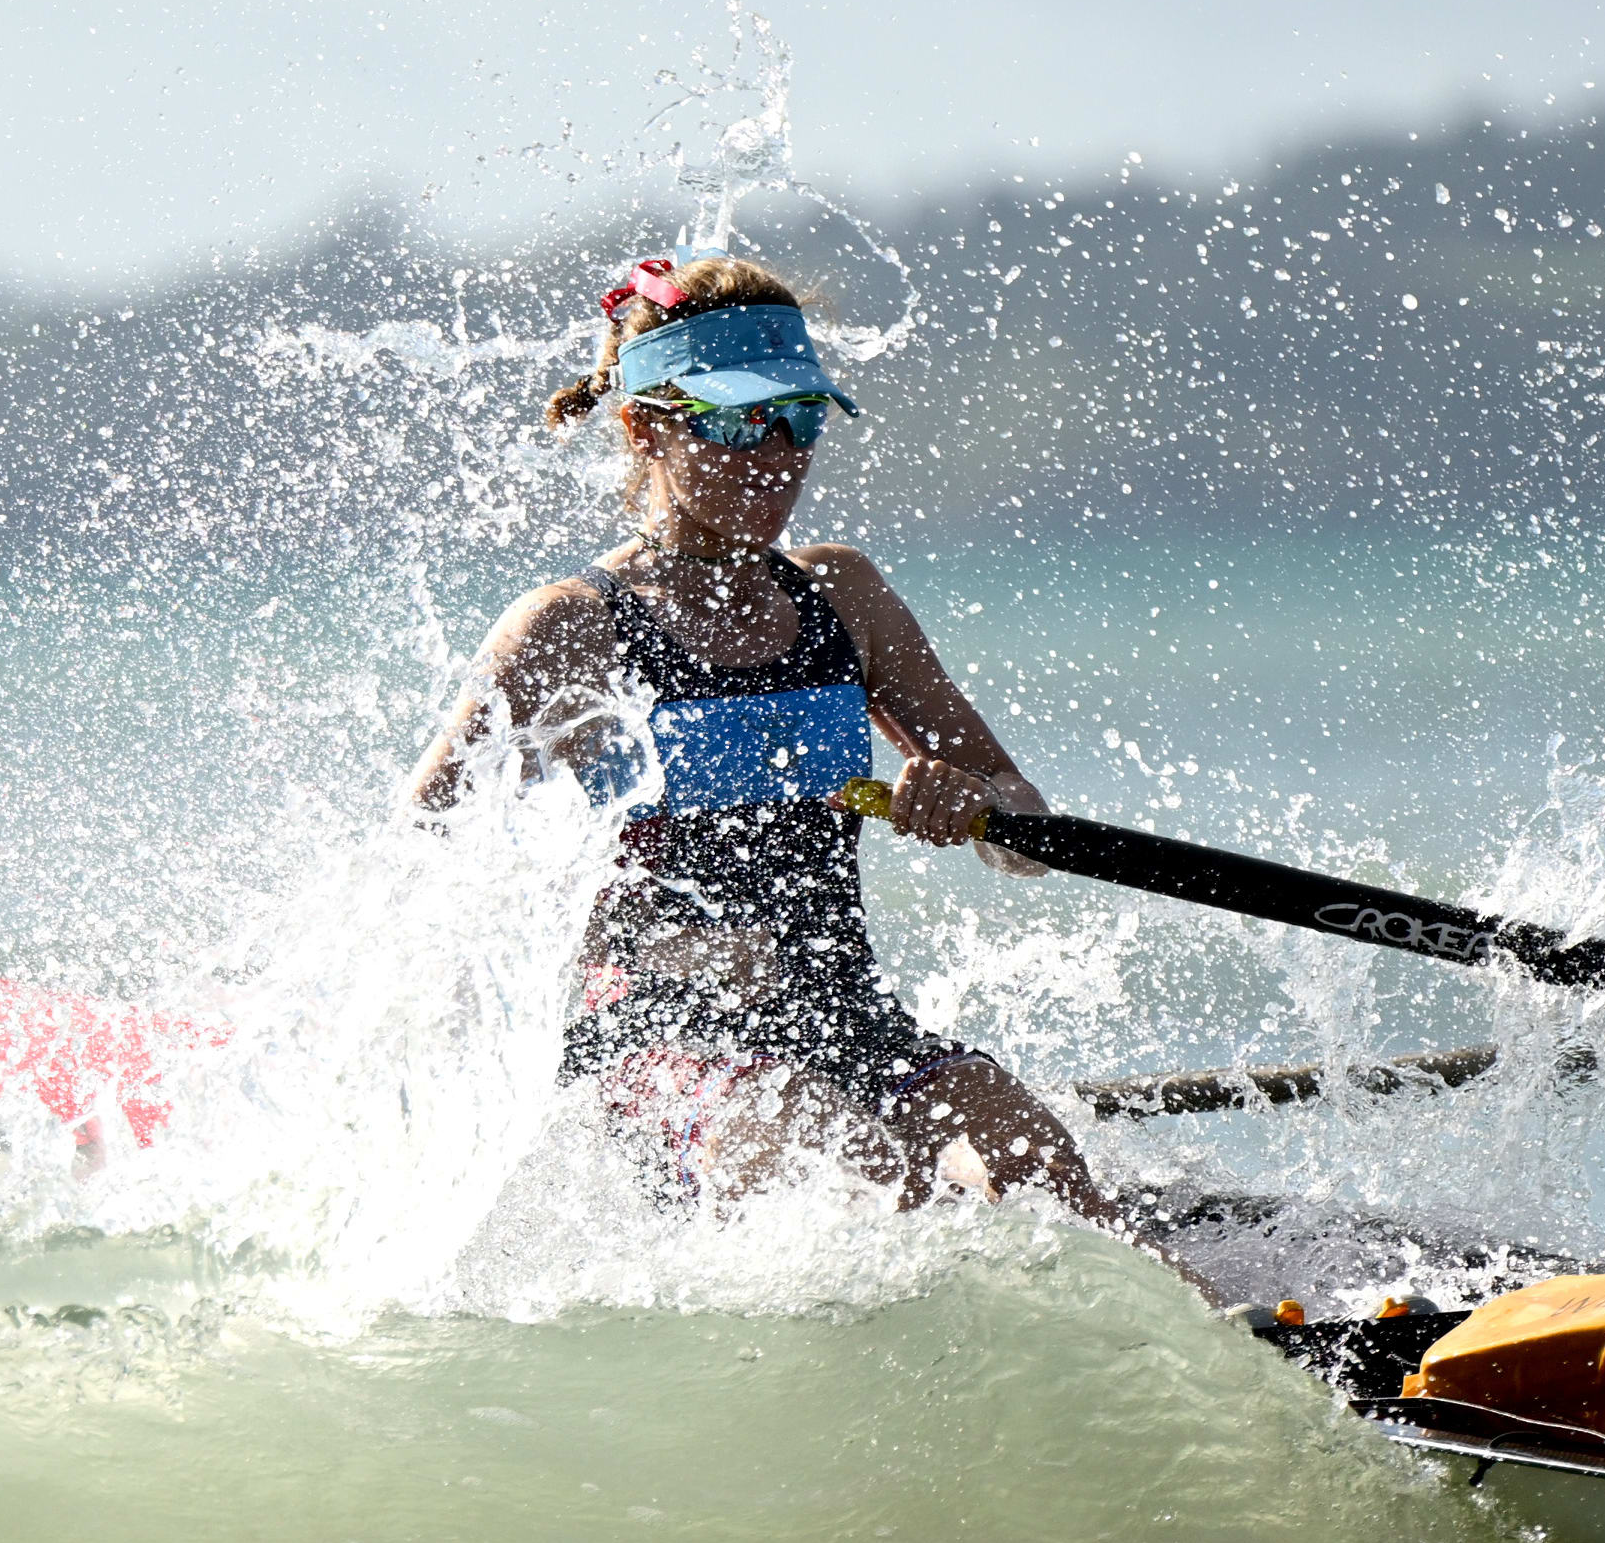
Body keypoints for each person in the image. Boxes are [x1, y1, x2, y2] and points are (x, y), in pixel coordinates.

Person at [410, 252, 1139, 1236]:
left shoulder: (846, 595)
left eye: (798, 418)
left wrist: (974, 805)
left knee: (1027, 1142)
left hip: (846, 1018)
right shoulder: (571, 626)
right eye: (734, 422)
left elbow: (1025, 825)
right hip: (657, 1043)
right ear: (643, 428)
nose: (776, 455)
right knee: (842, 1152)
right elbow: (422, 851)